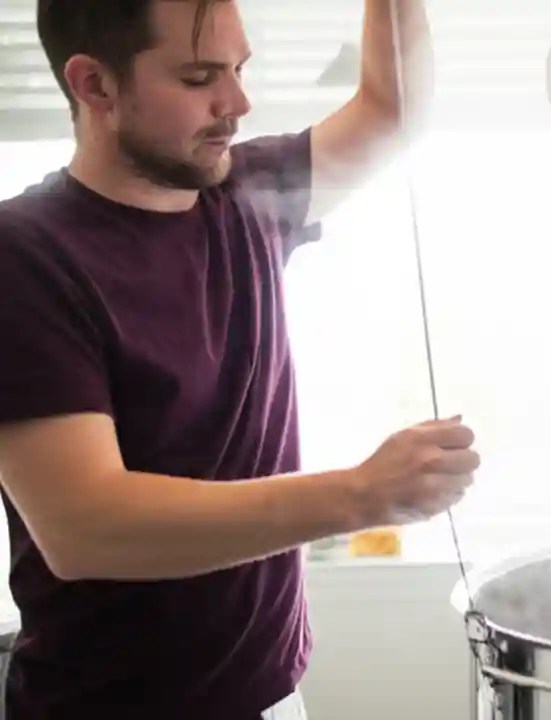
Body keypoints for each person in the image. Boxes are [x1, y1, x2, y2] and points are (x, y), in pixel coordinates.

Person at [0, 0, 479, 717]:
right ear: (95, 85)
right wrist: (362, 493)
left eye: (240, 68)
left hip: (272, 696)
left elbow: (392, 111)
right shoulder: (27, 257)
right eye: (200, 77)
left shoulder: (245, 194)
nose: (238, 102)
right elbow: (84, 527)